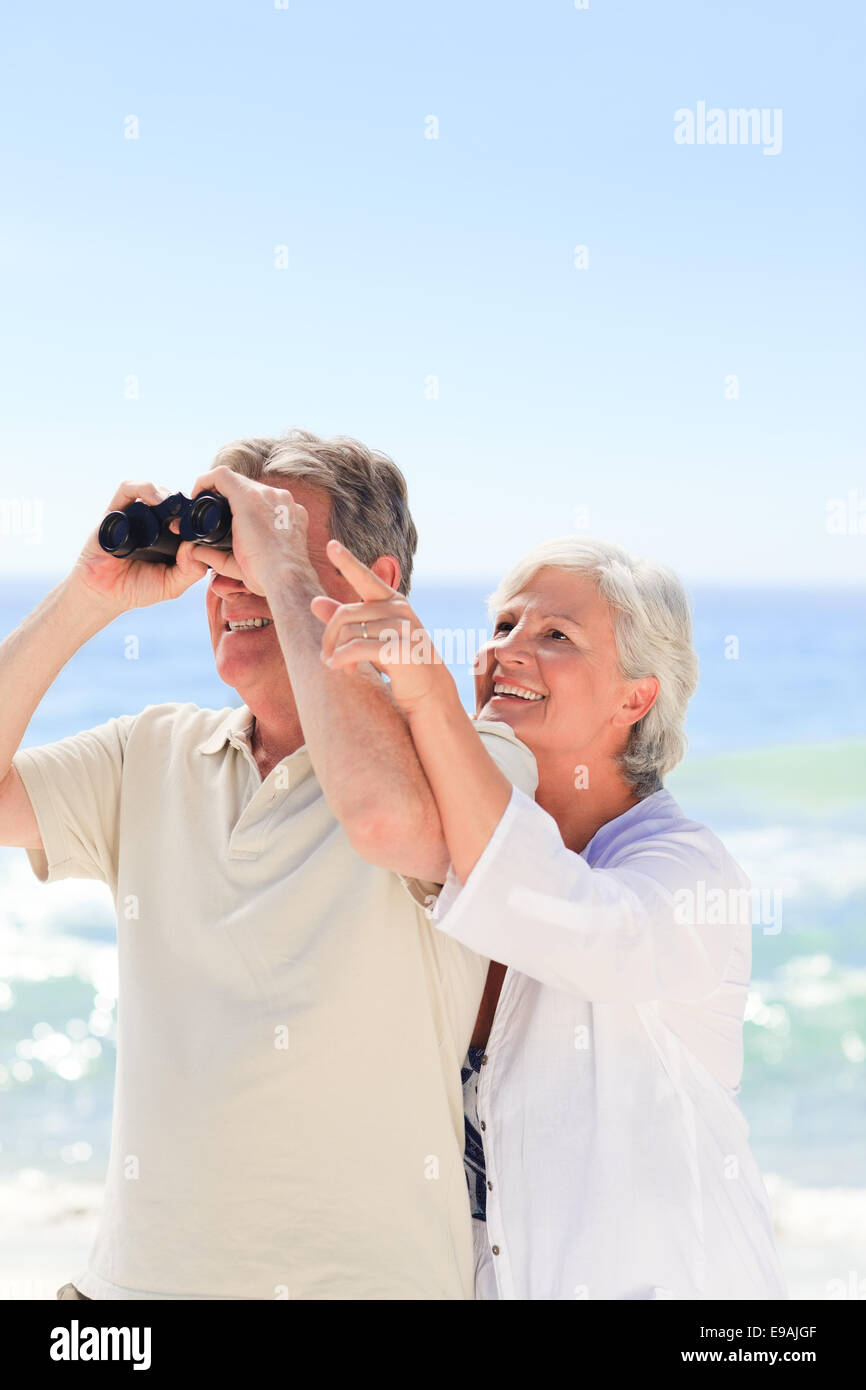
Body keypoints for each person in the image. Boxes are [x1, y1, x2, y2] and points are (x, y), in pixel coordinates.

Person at [0, 429, 536, 1300]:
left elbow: (386, 821)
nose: (235, 581)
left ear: (375, 584)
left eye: (269, 540)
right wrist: (88, 595)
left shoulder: (476, 761)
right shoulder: (154, 753)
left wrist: (280, 573)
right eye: (227, 554)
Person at [314, 534, 788, 1301]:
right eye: (503, 627)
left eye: (554, 636)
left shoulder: (690, 874)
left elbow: (579, 925)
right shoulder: (447, 865)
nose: (508, 651)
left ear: (636, 697)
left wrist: (430, 698)